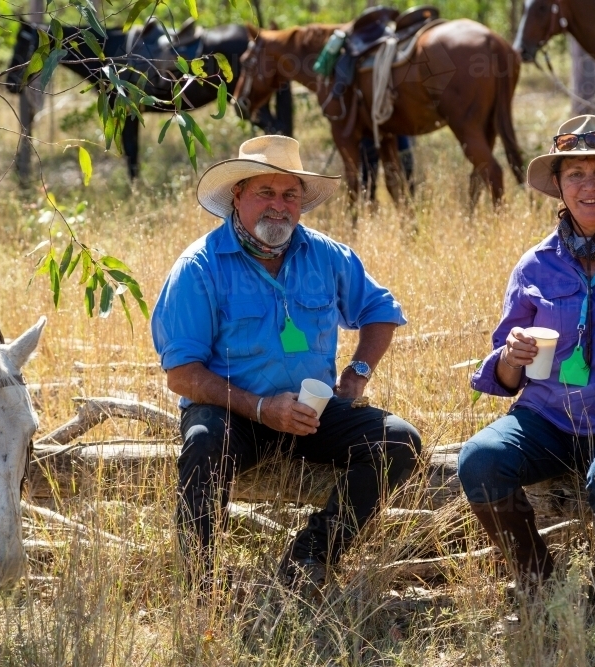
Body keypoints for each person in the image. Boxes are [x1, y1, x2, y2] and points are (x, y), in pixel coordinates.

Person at [151, 135, 421, 590]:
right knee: (202, 442)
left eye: (289, 194)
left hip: (309, 412)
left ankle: (311, 554)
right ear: (237, 196)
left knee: (401, 442)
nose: (279, 206)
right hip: (233, 413)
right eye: (265, 193)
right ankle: (199, 584)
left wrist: (358, 371)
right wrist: (260, 408)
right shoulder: (199, 266)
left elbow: (380, 310)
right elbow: (182, 374)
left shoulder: (326, 255)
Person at [457, 115, 595, 609]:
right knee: (479, 461)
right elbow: (505, 376)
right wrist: (511, 356)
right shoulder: (534, 264)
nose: (589, 186)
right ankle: (540, 582)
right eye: (575, 174)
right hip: (551, 418)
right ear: (558, 186)